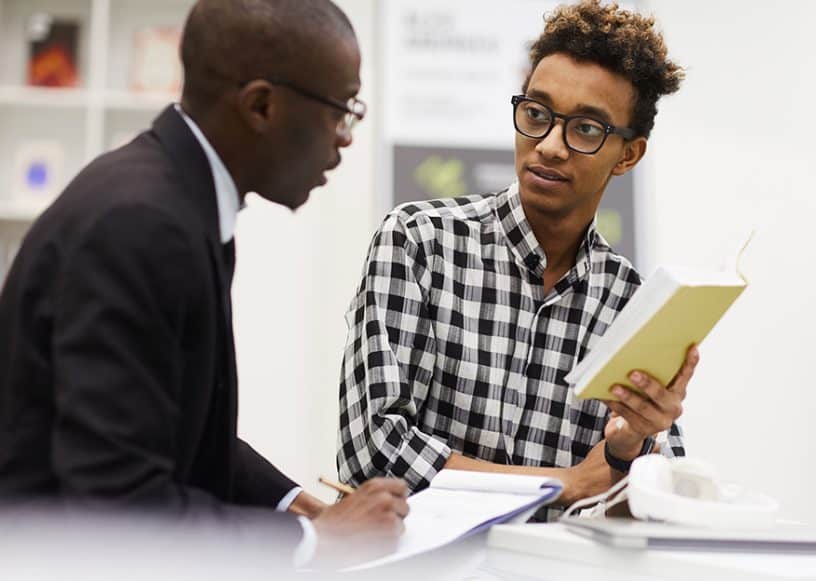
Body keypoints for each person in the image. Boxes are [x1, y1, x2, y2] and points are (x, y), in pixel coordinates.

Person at [0, 0, 406, 566]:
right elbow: (120, 508)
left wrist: (295, 506)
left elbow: (177, 431)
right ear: (261, 106)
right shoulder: (141, 226)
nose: (345, 139)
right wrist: (317, 543)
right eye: (342, 111)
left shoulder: (171, 197)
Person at [337, 0, 696, 518]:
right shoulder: (418, 243)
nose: (549, 146)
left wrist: (627, 451)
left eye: (586, 129)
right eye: (536, 114)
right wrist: (564, 484)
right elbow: (372, 455)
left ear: (629, 155)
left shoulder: (631, 303)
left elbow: (661, 506)